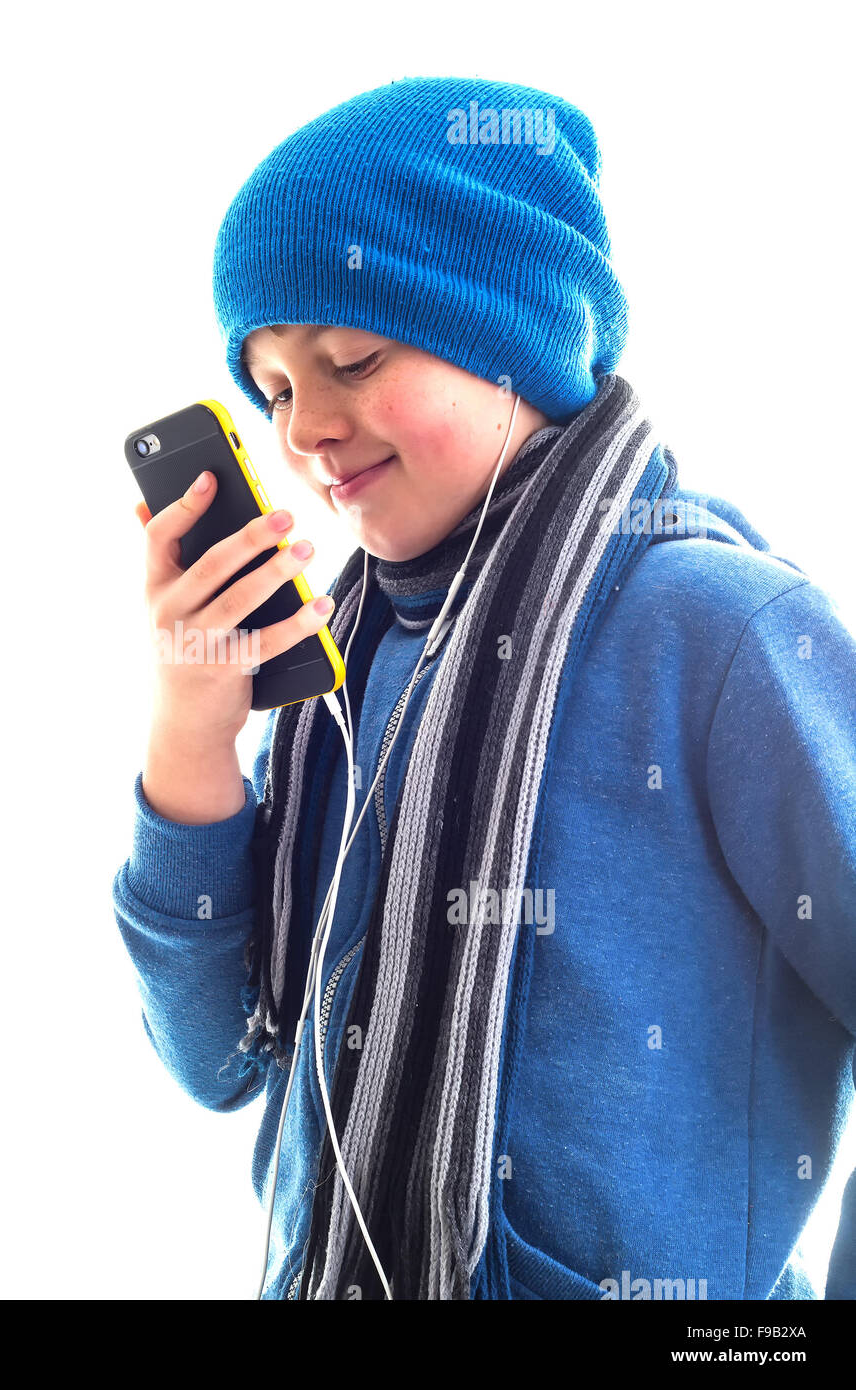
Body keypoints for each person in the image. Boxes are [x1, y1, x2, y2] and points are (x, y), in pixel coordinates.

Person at [111, 75, 856, 1300]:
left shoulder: (719, 633)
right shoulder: (332, 676)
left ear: (506, 335)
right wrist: (191, 737)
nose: (305, 434)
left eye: (352, 359)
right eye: (277, 388)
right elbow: (216, 1058)